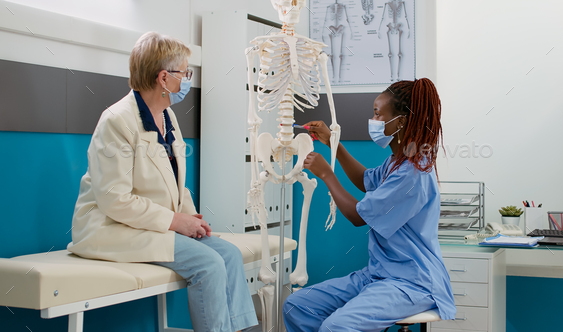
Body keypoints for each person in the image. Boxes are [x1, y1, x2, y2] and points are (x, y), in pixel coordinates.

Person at [67, 32, 257, 332]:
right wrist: (175, 221)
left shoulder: (166, 116)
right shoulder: (116, 121)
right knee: (208, 265)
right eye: (185, 73)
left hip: (152, 225)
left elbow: (175, 182)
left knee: (229, 255)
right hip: (111, 228)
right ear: (164, 78)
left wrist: (190, 218)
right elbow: (114, 199)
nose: (188, 80)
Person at [282, 78, 456, 331]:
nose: (372, 120)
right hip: (378, 275)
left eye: (377, 113)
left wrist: (327, 175)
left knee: (336, 326)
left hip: (411, 281)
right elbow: (365, 181)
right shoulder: (397, 162)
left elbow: (357, 216)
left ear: (401, 121)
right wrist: (333, 143)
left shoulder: (412, 173)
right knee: (297, 305)